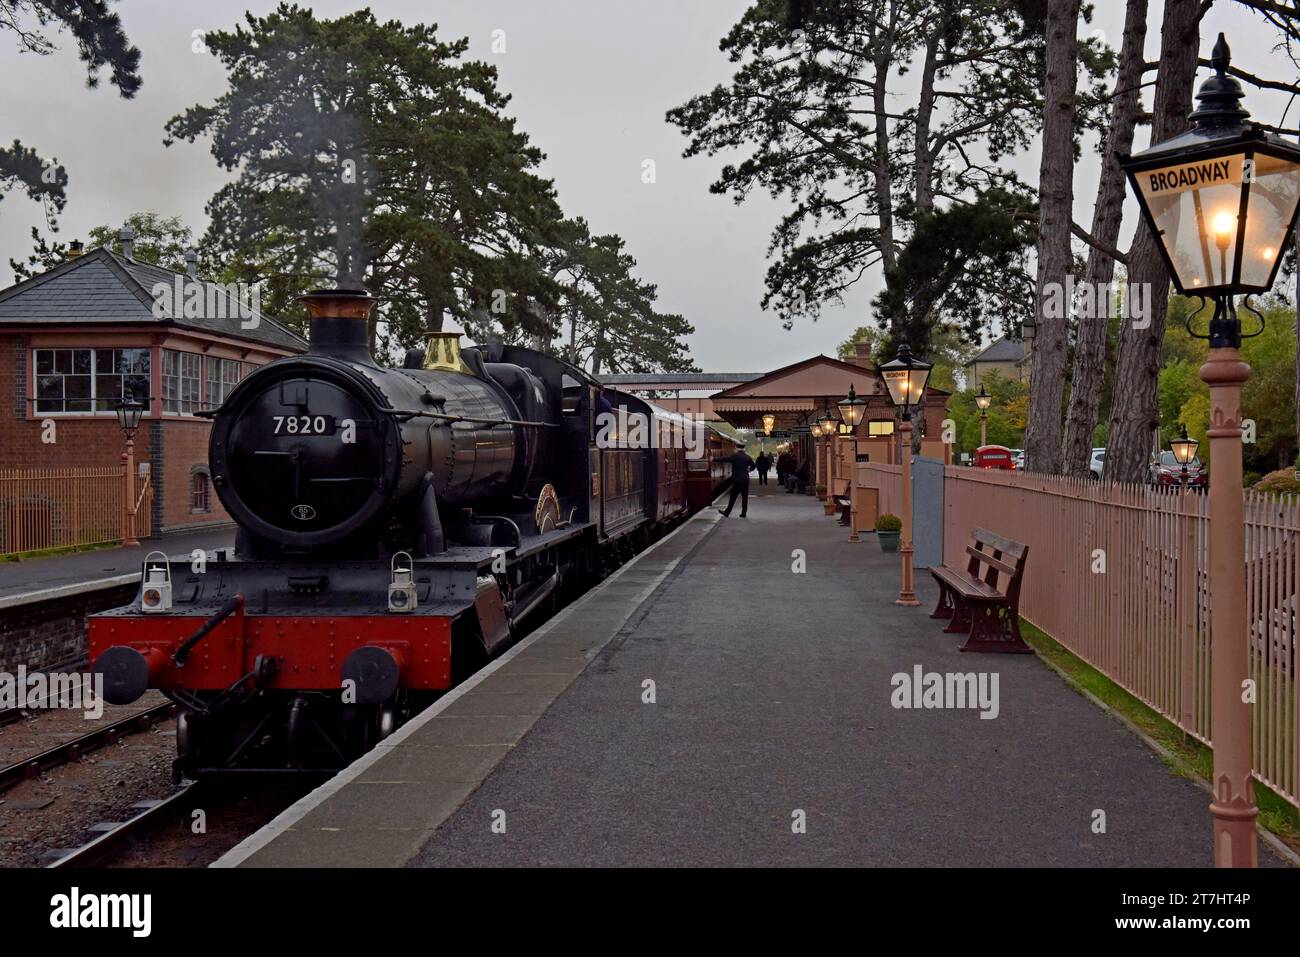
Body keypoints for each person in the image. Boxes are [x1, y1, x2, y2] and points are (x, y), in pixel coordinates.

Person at [718, 447, 755, 518]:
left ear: (737, 449)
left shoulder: (734, 456)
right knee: (744, 497)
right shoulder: (747, 457)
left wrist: (713, 459)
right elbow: (754, 466)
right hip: (745, 479)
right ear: (744, 450)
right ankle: (743, 513)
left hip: (736, 479)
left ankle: (727, 512)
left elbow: (724, 459)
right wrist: (749, 470)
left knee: (733, 497)